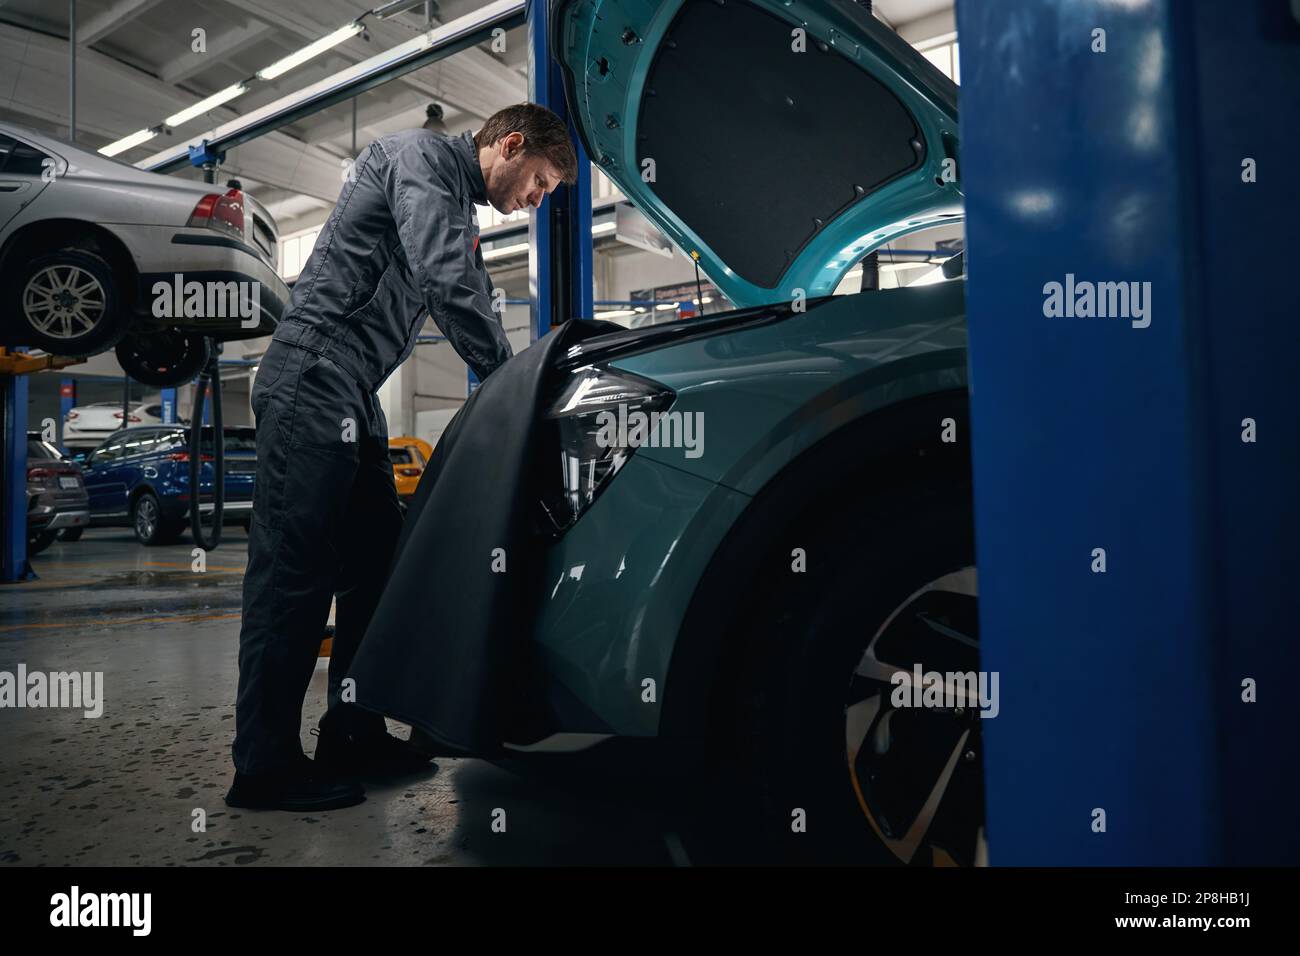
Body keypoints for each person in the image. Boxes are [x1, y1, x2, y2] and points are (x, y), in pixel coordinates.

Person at [226, 103, 579, 811]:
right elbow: (447, 279)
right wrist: (516, 387)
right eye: (539, 183)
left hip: (351, 392)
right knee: (294, 575)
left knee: (375, 567)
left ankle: (352, 730)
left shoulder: (454, 204)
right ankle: (262, 765)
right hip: (312, 377)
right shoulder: (418, 158)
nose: (536, 202)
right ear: (508, 146)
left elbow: (463, 280)